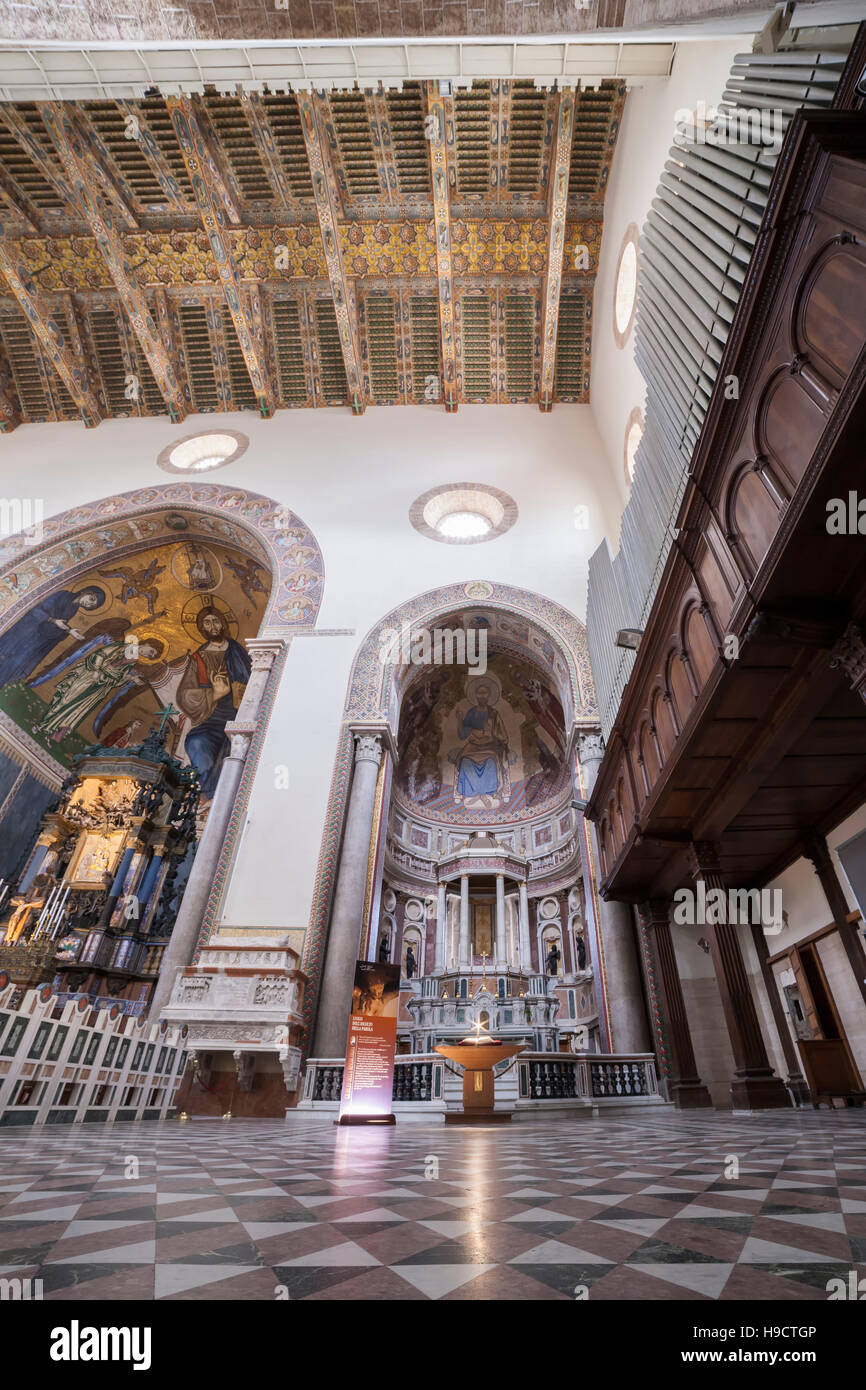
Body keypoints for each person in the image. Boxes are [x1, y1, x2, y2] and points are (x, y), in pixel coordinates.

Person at [176, 607, 251, 798]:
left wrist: (235, 691)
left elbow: (254, 680)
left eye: (216, 621)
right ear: (202, 628)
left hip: (239, 713)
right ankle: (209, 795)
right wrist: (215, 694)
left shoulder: (237, 651)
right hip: (212, 717)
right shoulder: (199, 657)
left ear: (223, 623)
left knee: (238, 747)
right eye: (207, 623)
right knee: (196, 741)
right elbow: (184, 694)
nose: (213, 626)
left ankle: (228, 796)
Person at [0, 586, 105, 687]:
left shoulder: (73, 608)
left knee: (15, 662)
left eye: (91, 605)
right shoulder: (63, 595)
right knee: (7, 654)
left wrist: (69, 631)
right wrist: (53, 620)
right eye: (91, 599)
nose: (88, 604)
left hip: (37, 639)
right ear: (87, 591)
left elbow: (58, 624)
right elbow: (36, 610)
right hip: (27, 631)